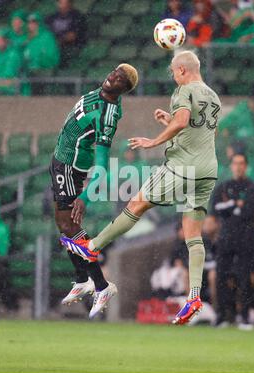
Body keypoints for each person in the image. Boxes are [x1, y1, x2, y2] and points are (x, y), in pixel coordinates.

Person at [61, 50, 222, 326]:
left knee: (137, 203)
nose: (173, 76)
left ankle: (93, 246)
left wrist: (154, 141)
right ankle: (194, 296)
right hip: (208, 170)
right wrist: (167, 123)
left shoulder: (184, 91)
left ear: (182, 71)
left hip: (182, 167)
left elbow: (182, 121)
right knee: (193, 236)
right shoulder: (213, 96)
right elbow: (201, 133)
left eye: (173, 71)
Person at [49, 64, 139, 319]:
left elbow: (102, 170)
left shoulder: (107, 115)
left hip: (71, 166)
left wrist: (85, 196)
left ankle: (100, 285)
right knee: (63, 225)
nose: (113, 77)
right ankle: (82, 279)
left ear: (124, 89)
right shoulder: (98, 93)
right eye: (114, 72)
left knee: (70, 227)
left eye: (120, 79)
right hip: (60, 160)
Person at [212, 153, 254, 329]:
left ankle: (245, 316)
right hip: (226, 238)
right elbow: (216, 209)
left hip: (245, 238)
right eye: (235, 163)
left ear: (246, 166)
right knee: (221, 276)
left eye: (241, 163)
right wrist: (235, 205)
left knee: (244, 277)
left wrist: (230, 208)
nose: (238, 166)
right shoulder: (223, 186)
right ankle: (221, 316)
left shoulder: (253, 187)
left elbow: (248, 212)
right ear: (231, 166)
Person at [46, 0, 87, 67]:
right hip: (53, 45)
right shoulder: (52, 17)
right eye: (60, 2)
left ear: (70, 3)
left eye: (65, 3)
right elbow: (45, 33)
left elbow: (72, 36)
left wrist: (57, 41)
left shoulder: (77, 16)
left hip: (70, 47)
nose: (63, 5)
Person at [24, 12, 60, 77]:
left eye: (34, 22)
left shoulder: (47, 37)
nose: (31, 24)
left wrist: (38, 62)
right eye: (29, 22)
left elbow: (52, 58)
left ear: (39, 22)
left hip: (46, 71)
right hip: (31, 71)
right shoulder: (28, 39)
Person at [0, 27, 23, 96]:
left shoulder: (13, 55)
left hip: (8, 92)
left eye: (1, 39)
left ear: (7, 40)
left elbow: (9, 78)